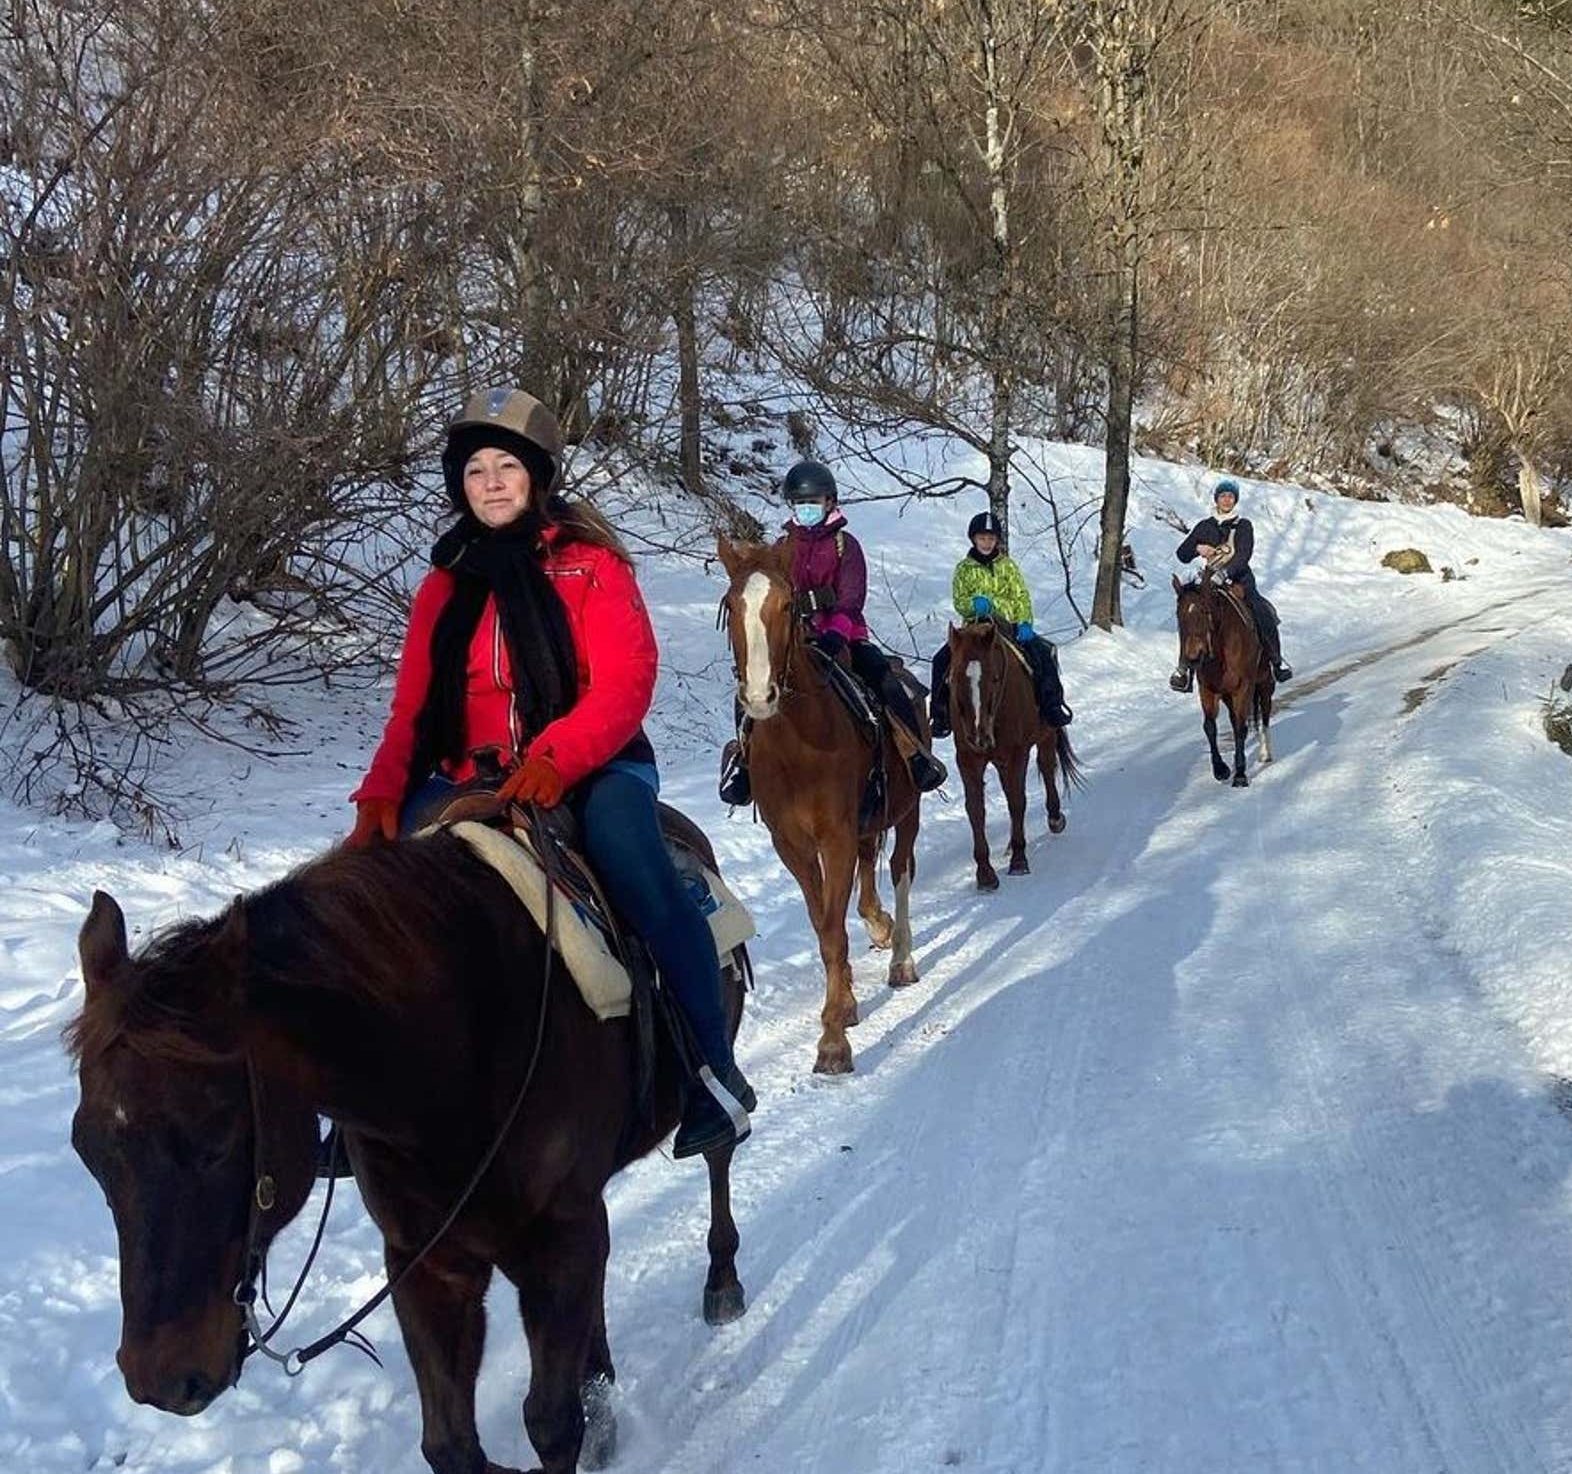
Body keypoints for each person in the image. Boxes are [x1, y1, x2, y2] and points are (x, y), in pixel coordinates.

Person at [344, 385, 755, 1160]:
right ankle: (369, 1094)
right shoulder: (444, 585)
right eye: (475, 471)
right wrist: (380, 797)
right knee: (364, 895)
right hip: (474, 773)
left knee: (632, 863)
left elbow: (626, 682)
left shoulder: (589, 567)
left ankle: (711, 1071)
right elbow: (410, 711)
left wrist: (555, 757)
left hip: (593, 764)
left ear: (537, 476)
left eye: (507, 467)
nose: (492, 482)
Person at [718, 460, 947, 806]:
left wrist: (838, 632)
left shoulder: (845, 545)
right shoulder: (782, 548)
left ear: (829, 503)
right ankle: (744, 762)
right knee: (752, 690)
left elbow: (852, 597)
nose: (806, 509)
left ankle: (914, 753)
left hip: (844, 636)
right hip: (796, 639)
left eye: (814, 502)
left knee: (884, 680)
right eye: (799, 503)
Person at [929, 510, 1072, 736]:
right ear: (974, 539)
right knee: (941, 661)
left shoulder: (1008, 566)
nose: (986, 543)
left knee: (1043, 654)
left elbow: (1021, 596)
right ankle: (940, 715)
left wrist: (1024, 622)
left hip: (1007, 625)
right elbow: (959, 600)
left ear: (997, 540)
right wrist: (972, 605)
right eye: (982, 538)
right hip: (974, 629)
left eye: (991, 538)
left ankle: (1051, 706)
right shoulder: (964, 569)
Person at [1171, 477, 1288, 692]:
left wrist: (1226, 571)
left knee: (1262, 610)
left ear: (1235, 501)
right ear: (1216, 499)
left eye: (1231, 496)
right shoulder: (1204, 526)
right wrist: (1198, 548)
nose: (1226, 500)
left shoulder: (1243, 525)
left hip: (1239, 578)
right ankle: (1183, 669)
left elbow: (1244, 555)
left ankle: (1276, 660)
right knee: (1190, 617)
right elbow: (1182, 554)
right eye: (1223, 496)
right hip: (1209, 583)